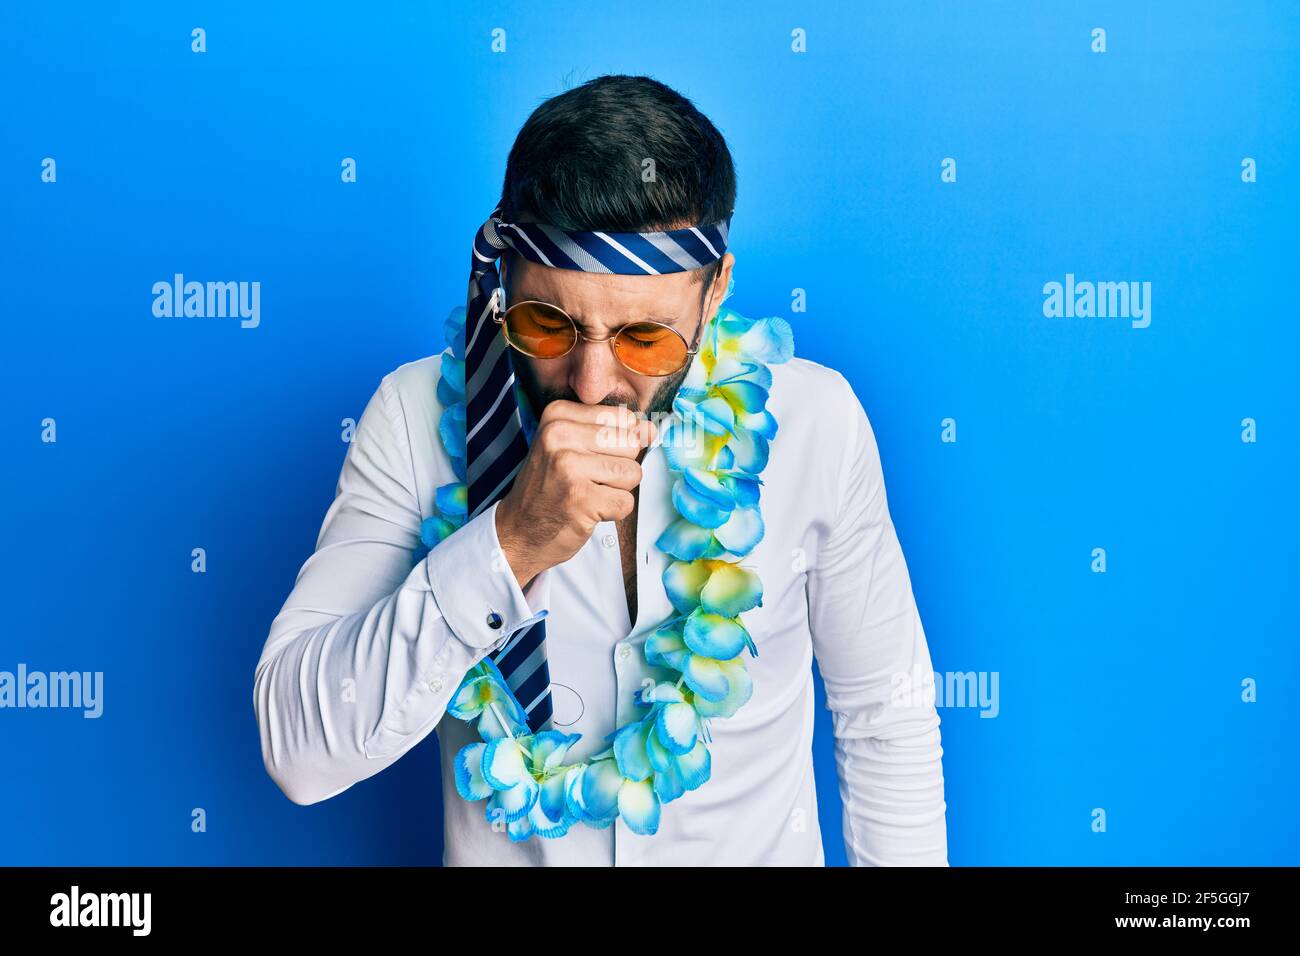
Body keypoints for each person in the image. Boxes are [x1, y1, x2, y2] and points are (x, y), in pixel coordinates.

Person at [253, 73, 948, 866]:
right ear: (504, 284)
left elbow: (884, 717)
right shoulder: (413, 419)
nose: (591, 386)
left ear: (714, 289)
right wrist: (507, 545)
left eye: (645, 339)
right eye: (548, 324)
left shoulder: (818, 426)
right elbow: (298, 751)